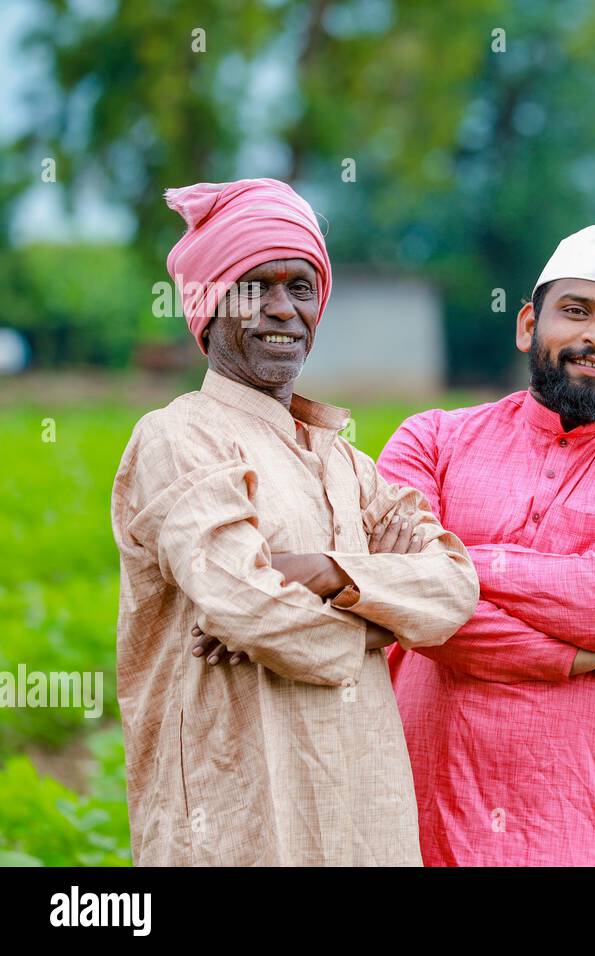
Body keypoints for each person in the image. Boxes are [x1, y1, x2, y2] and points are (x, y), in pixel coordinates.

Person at [110, 178, 478, 865]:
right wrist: (385, 617)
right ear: (208, 305)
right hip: (231, 814)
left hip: (360, 812)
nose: (282, 309)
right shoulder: (178, 437)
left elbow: (454, 586)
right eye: (254, 288)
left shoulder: (345, 461)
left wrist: (329, 573)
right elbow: (245, 604)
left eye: (300, 288)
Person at [377, 222, 595, 865]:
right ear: (528, 323)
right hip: (415, 820)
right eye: (575, 311)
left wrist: (452, 564)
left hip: (578, 828)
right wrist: (565, 656)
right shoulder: (429, 441)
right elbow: (405, 602)